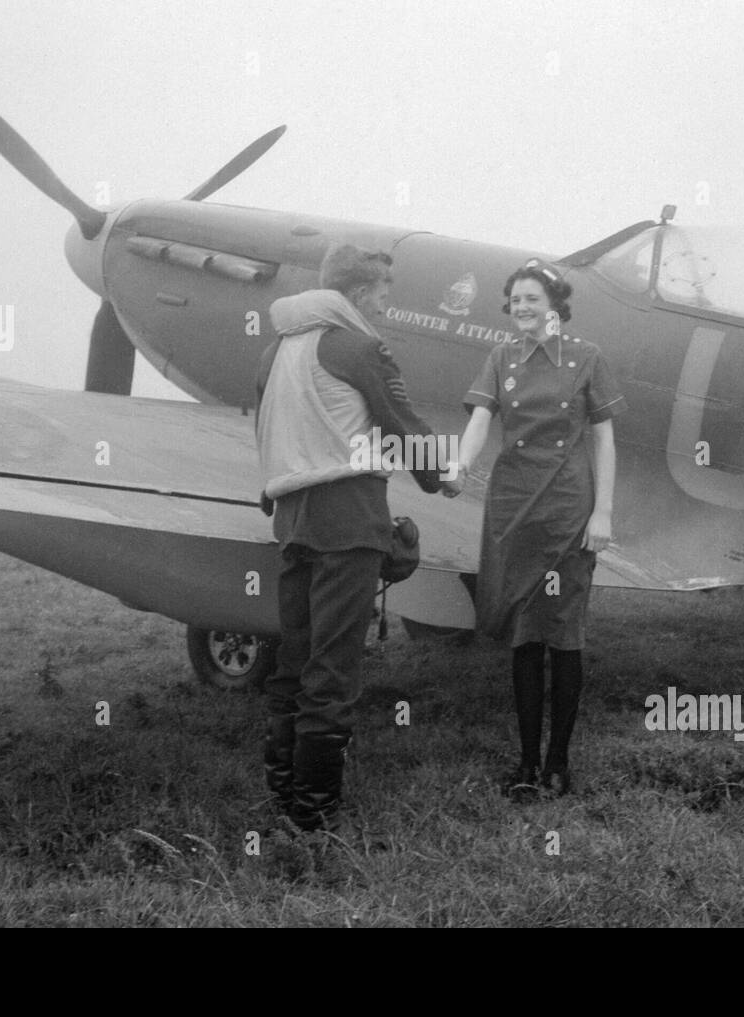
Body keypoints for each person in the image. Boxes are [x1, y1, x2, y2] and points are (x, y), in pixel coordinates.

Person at [254, 242, 446, 832]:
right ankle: (314, 816)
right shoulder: (359, 347)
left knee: (296, 657)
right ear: (359, 293)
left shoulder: (275, 351)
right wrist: (442, 479)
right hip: (348, 519)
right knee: (333, 668)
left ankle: (285, 792)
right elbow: (405, 427)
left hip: (293, 519)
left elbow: (273, 421)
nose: (387, 305)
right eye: (384, 294)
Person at [450, 259, 623, 798]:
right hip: (513, 506)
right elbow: (480, 419)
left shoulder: (587, 357)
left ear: (555, 305)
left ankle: (558, 763)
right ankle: (526, 763)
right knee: (525, 634)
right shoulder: (500, 357)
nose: (523, 308)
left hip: (568, 507)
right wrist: (459, 466)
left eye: (532, 299)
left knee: (564, 633)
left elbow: (605, 439)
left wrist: (604, 512)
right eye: (516, 300)